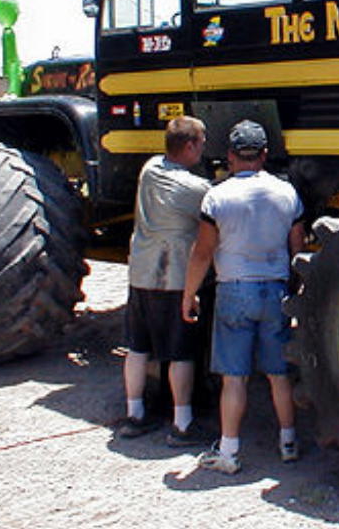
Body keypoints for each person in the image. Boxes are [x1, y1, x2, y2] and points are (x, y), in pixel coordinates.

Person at [182, 119, 305, 474]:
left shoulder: (217, 196)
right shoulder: (287, 193)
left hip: (234, 289)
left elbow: (203, 252)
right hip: (275, 289)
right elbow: (297, 249)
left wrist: (189, 294)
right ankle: (289, 443)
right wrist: (294, 291)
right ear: (265, 155)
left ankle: (230, 453)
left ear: (231, 156)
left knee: (234, 378)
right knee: (279, 375)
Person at [118, 116, 211, 446]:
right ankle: (182, 424)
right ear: (189, 146)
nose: (203, 149)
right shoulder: (195, 189)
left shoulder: (150, 169)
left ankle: (135, 414)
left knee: (138, 347)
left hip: (141, 272)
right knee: (181, 351)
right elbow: (218, 212)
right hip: (174, 276)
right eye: (200, 143)